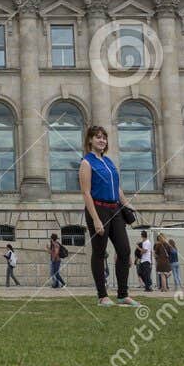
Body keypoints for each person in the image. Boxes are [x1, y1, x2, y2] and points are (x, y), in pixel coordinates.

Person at [80, 125, 139, 307]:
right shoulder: (86, 163)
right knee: (99, 253)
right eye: (98, 137)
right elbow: (86, 193)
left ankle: (122, 294)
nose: (102, 140)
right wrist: (96, 219)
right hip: (98, 209)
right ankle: (102, 296)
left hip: (116, 210)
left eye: (104, 137)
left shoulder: (109, 162)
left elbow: (117, 187)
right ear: (90, 140)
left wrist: (127, 203)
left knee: (124, 250)